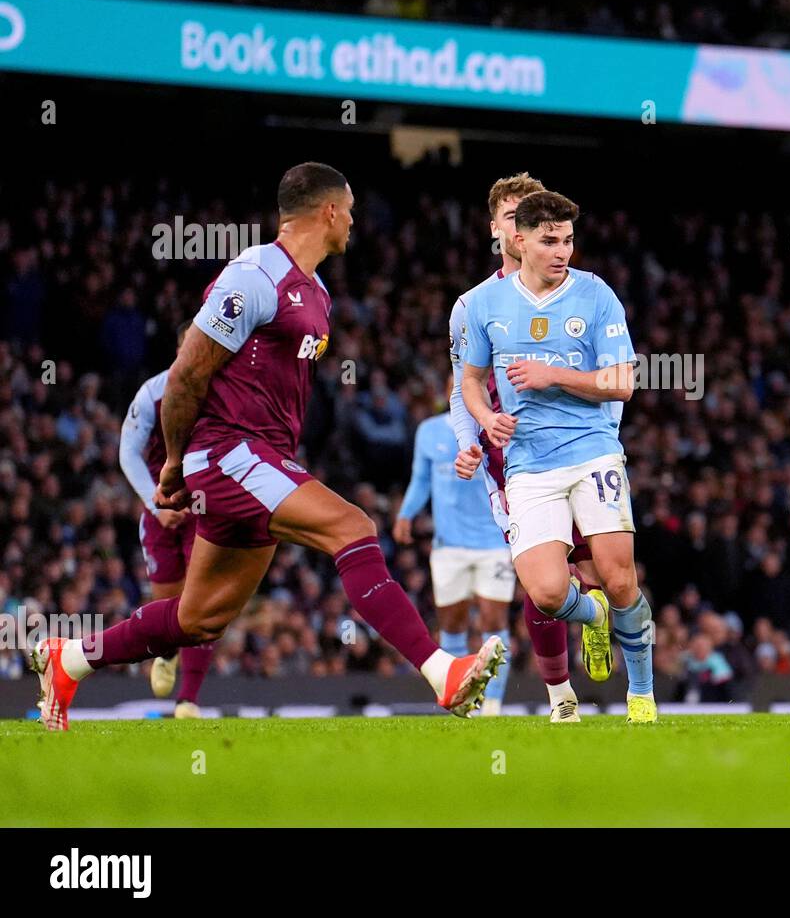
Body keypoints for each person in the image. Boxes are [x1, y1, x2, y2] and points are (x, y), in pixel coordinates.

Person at [30, 162, 501, 730]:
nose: (354, 221)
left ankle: (69, 660)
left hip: (260, 460)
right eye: (349, 209)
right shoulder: (253, 276)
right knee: (353, 528)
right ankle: (440, 670)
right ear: (328, 210)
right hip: (231, 454)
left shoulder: (317, 292)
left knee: (197, 621)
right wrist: (177, 463)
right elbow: (185, 377)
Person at [460, 189, 658, 722]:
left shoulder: (596, 295)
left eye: (568, 239)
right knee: (547, 594)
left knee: (619, 579)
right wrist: (483, 420)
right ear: (518, 241)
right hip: (527, 463)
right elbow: (470, 381)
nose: (562, 251)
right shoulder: (480, 304)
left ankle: (640, 693)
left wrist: (554, 376)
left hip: (593, 453)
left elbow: (622, 383)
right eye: (550, 241)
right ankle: (588, 612)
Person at [394, 376, 515, 716]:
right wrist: (406, 514)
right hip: (448, 546)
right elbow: (420, 480)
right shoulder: (429, 432)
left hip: (493, 542)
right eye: (454, 385)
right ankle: (462, 702)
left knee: (493, 622)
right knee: (453, 624)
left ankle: (492, 705)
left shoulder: (495, 426)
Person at [118, 323, 211, 717]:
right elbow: (128, 453)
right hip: (160, 511)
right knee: (170, 605)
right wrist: (158, 507)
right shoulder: (151, 394)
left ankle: (188, 699)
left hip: (206, 509)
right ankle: (167, 652)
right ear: (180, 346)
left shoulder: (222, 392)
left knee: (203, 602)